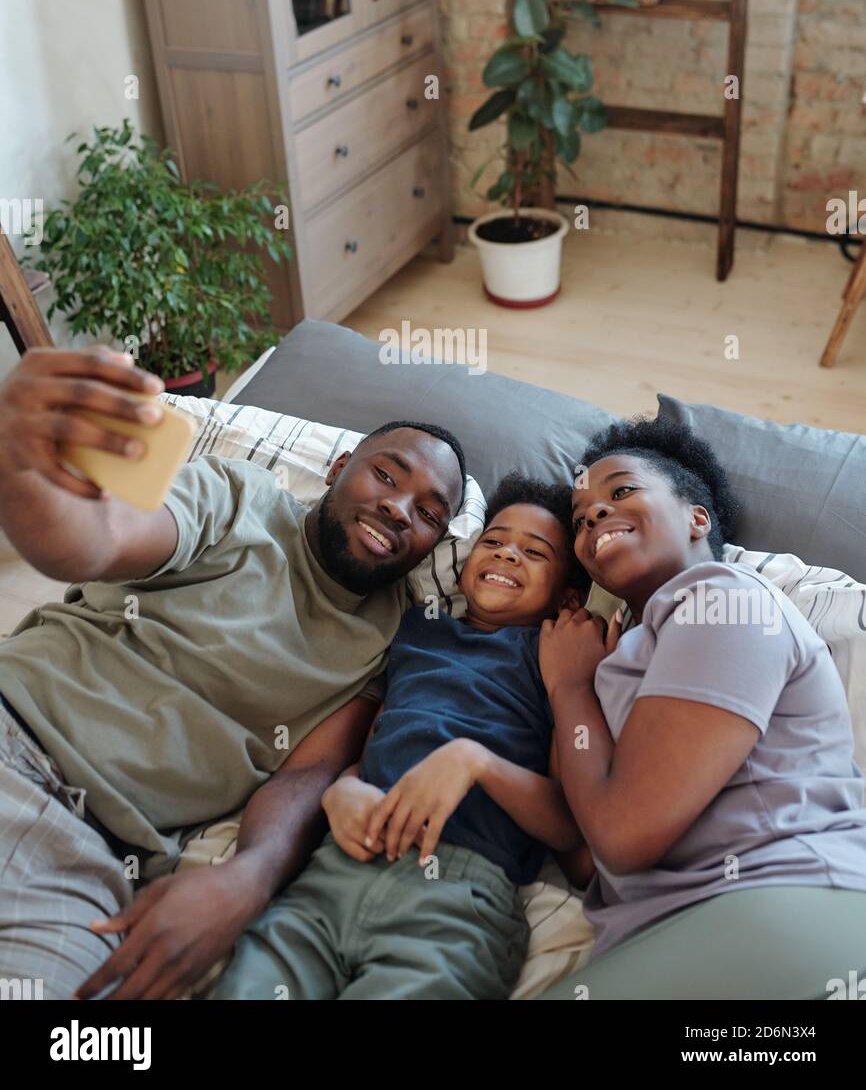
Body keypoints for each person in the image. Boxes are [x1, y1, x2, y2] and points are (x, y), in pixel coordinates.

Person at [0, 344, 465, 1001]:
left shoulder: (392, 636)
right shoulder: (238, 497)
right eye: (387, 476)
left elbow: (307, 774)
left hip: (92, 850)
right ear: (337, 470)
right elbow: (95, 541)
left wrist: (246, 880)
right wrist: (20, 460)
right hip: (15, 732)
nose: (400, 509)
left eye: (430, 513)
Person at [210, 473, 593, 1001]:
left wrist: (476, 763)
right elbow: (375, 744)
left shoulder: (554, 660)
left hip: (454, 895)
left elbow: (567, 823)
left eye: (534, 552)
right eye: (495, 541)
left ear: (567, 598)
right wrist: (341, 789)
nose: (507, 555)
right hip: (337, 868)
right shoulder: (417, 631)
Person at [537, 414, 866, 1000]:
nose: (595, 517)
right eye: (581, 518)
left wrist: (570, 691)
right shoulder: (618, 653)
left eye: (621, 492)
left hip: (784, 901)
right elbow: (590, 860)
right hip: (678, 929)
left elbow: (623, 835)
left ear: (697, 518)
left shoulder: (725, 598)